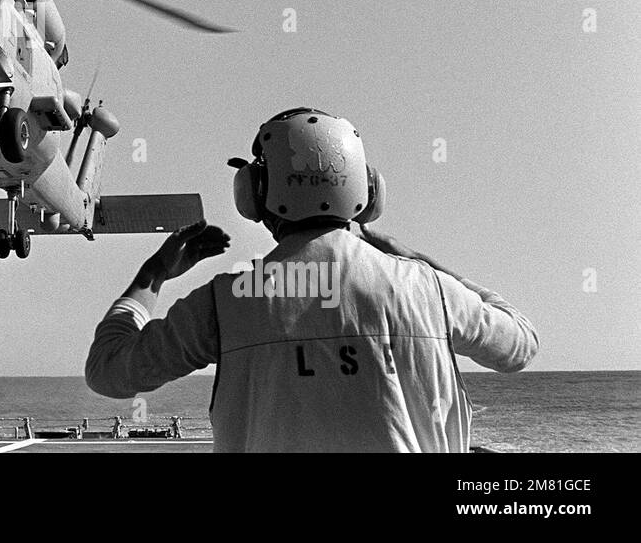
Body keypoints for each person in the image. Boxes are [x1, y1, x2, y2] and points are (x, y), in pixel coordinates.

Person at [85, 107, 538, 452]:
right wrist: (417, 262)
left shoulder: (230, 300)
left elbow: (108, 372)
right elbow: (519, 344)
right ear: (367, 191)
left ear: (254, 193)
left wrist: (152, 277)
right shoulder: (427, 289)